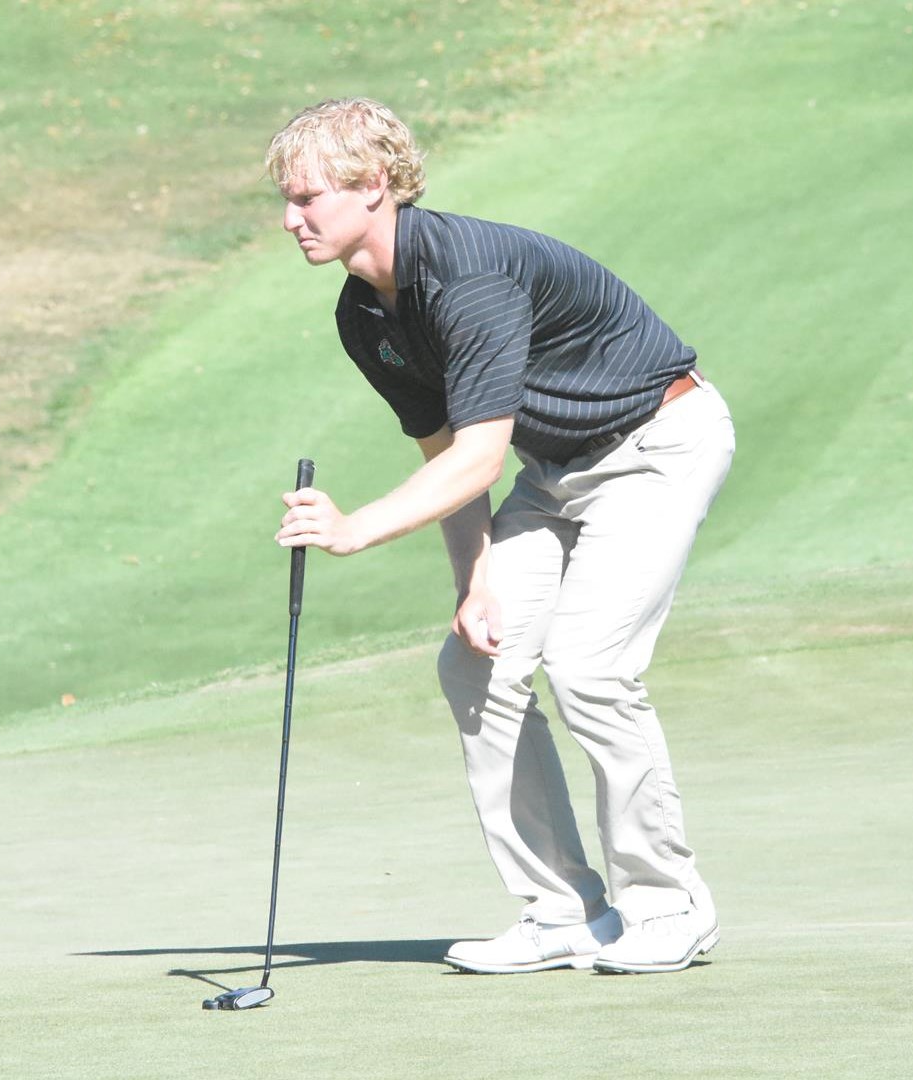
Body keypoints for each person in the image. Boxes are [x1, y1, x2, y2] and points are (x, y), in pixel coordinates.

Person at [266, 98, 734, 975]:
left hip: (657, 444)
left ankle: (669, 904)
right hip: (555, 473)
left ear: (373, 185)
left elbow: (479, 459)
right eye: (286, 201)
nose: (291, 220)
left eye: (307, 198)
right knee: (475, 663)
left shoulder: (469, 279)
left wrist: (354, 529)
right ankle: (565, 911)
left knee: (590, 667)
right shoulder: (364, 315)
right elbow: (445, 451)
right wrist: (474, 583)